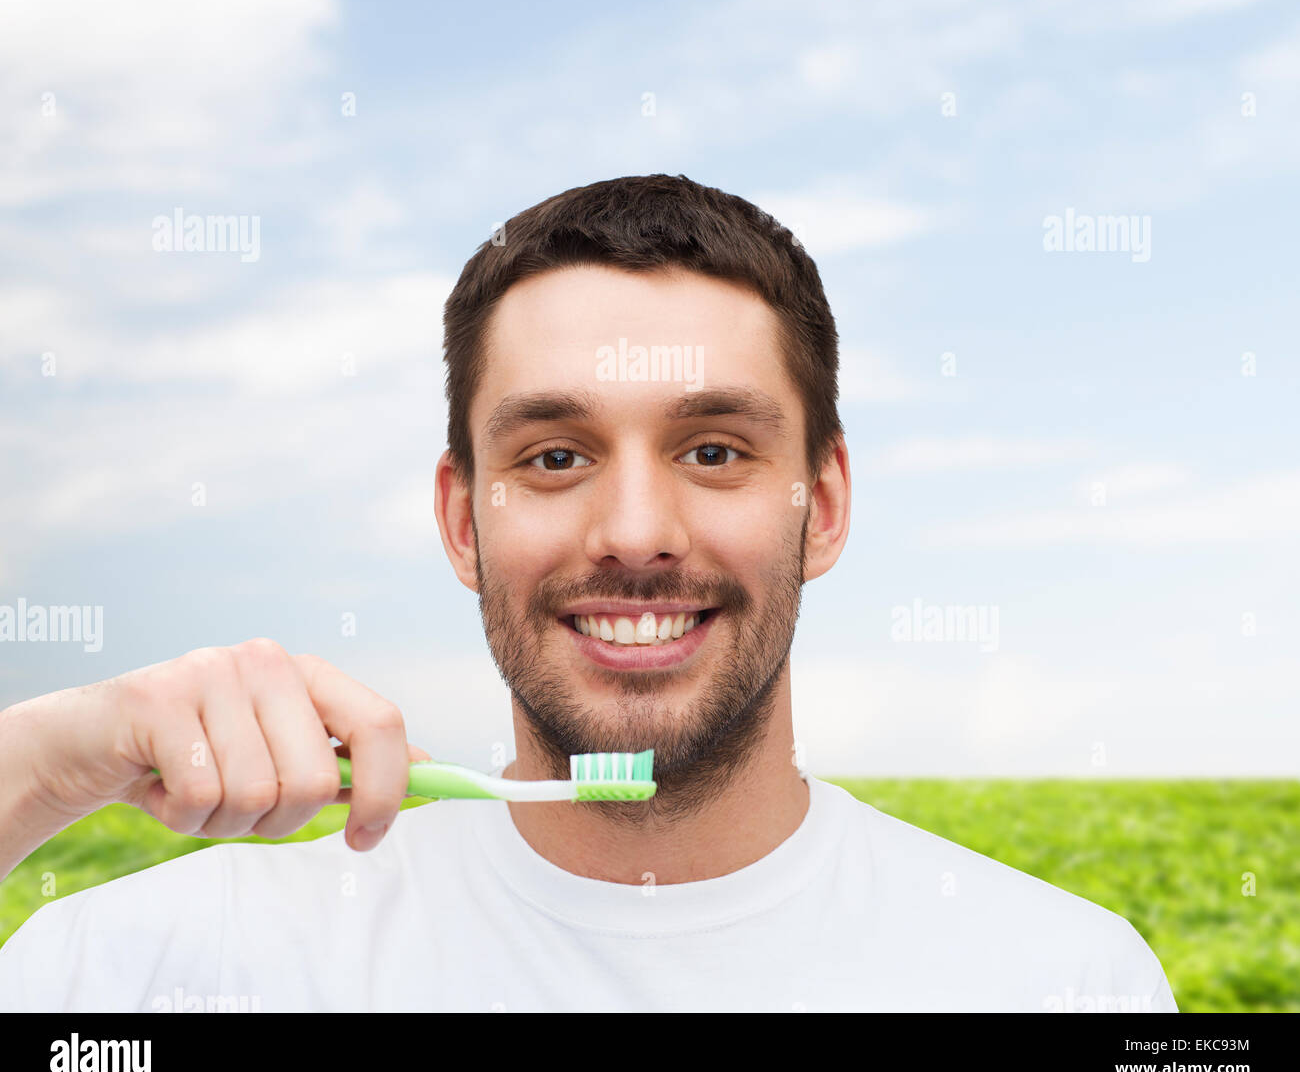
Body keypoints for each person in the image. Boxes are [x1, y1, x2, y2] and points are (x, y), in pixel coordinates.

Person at [0, 174, 1177, 1012]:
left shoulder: (1059, 980)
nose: (634, 534)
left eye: (713, 450)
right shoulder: (163, 966)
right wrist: (43, 766)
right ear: (465, 520)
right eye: (555, 456)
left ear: (821, 502)